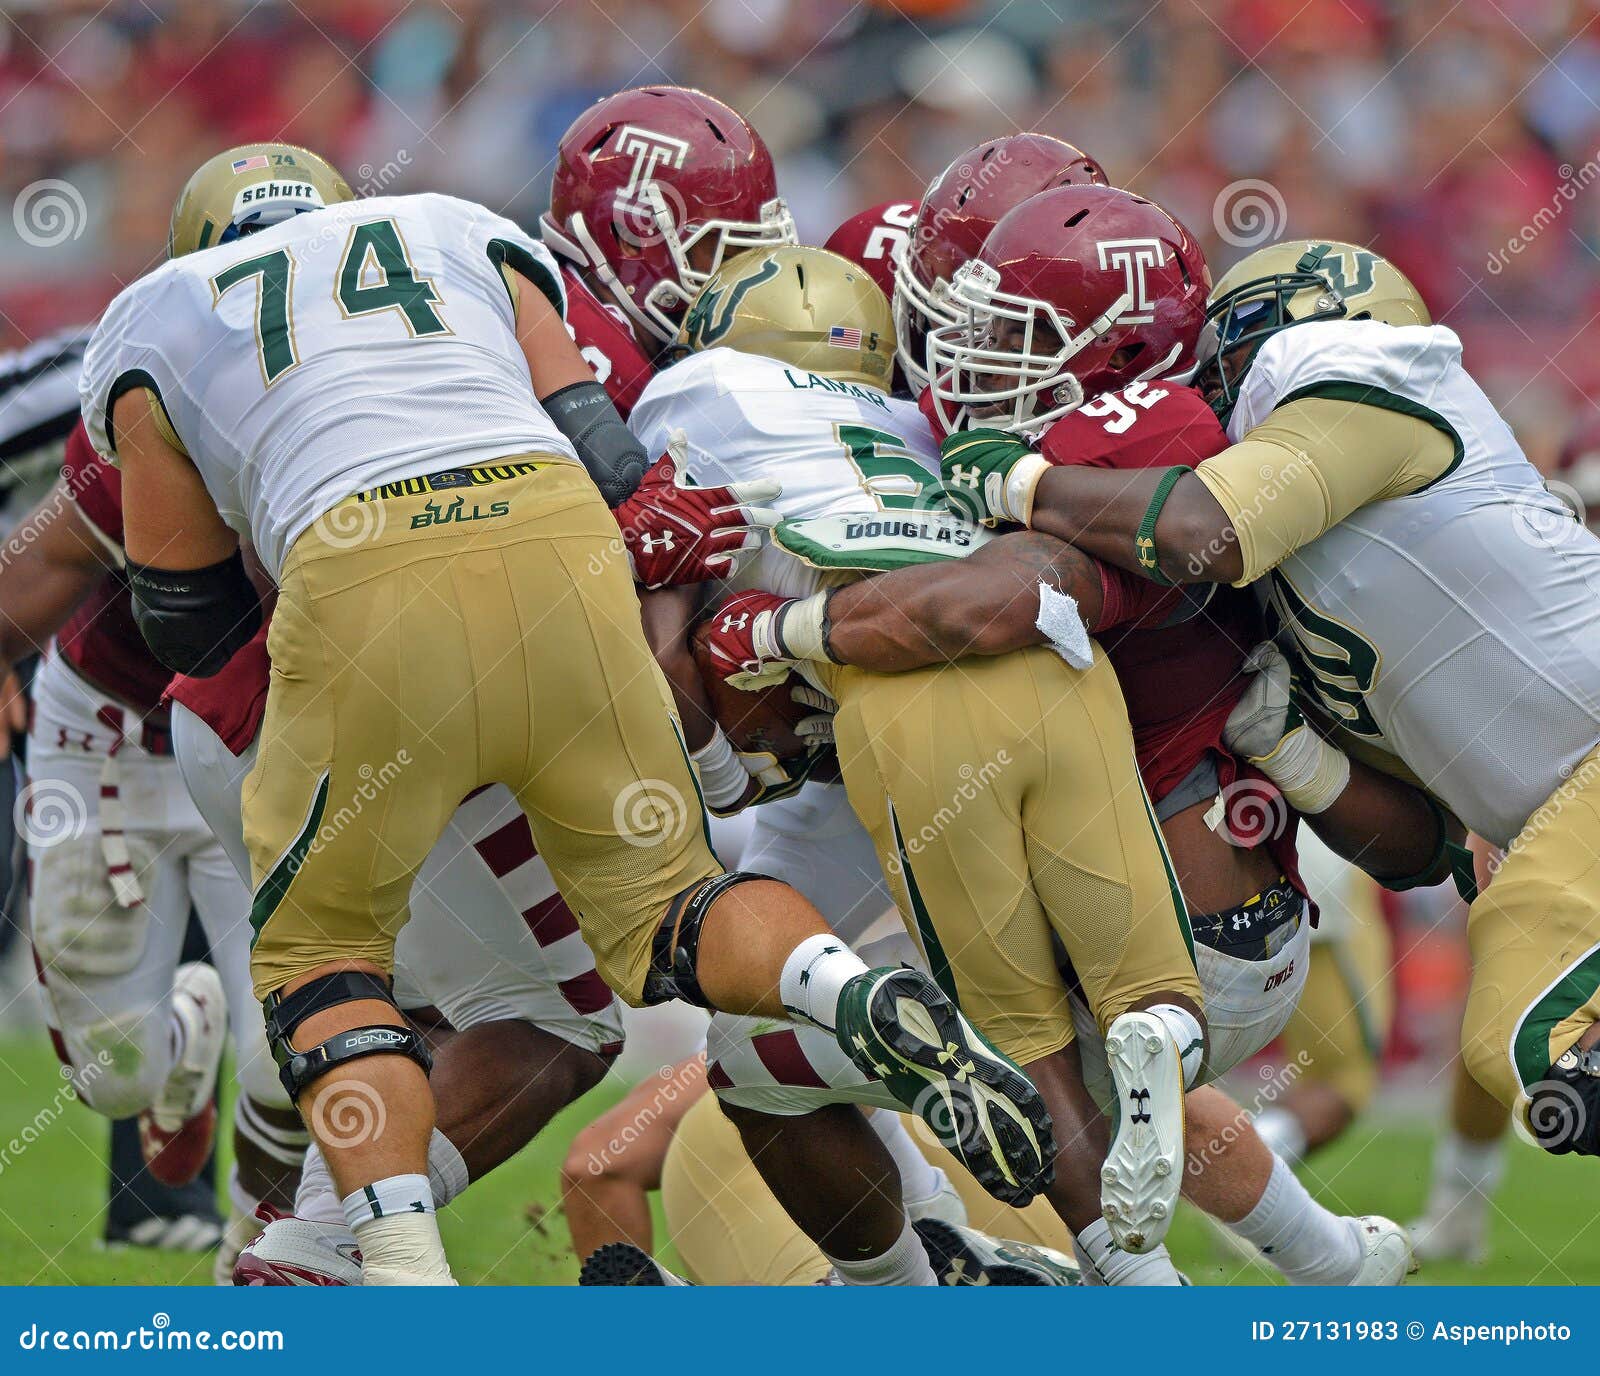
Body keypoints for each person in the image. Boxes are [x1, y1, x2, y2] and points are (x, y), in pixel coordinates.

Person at [79, 142, 1050, 1284]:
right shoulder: (456, 226)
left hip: (340, 623)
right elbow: (604, 449)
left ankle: (378, 1262)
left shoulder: (154, 321)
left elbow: (185, 619)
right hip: (550, 553)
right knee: (650, 922)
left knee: (337, 966)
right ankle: (846, 989)